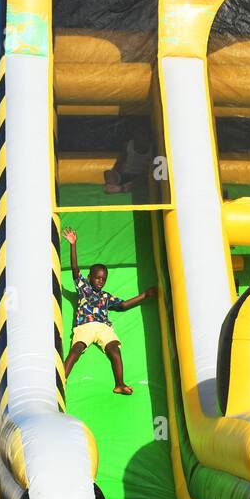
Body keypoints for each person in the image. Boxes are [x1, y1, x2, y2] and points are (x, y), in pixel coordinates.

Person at [62, 226, 157, 392]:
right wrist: (73, 245)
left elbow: (123, 305)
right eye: (97, 278)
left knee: (114, 350)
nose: (100, 281)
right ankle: (61, 380)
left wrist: (145, 295)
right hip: (85, 326)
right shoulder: (84, 287)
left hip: (104, 327)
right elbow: (75, 270)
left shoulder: (106, 297)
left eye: (103, 279)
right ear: (90, 277)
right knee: (76, 350)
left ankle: (119, 384)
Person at [103, 126, 154, 196]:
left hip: (139, 176)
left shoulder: (152, 149)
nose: (142, 138)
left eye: (144, 135)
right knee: (108, 173)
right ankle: (112, 186)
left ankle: (121, 188)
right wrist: (114, 174)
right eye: (139, 135)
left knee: (142, 180)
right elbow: (119, 162)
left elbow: (150, 168)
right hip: (126, 174)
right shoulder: (128, 145)